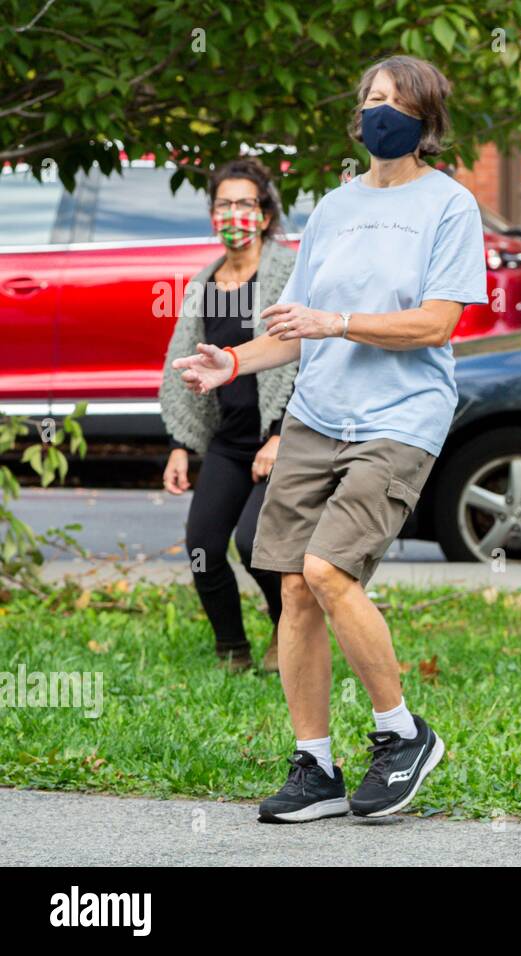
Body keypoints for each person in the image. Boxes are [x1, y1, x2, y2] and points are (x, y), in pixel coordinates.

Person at [173, 56, 487, 822]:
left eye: (398, 101)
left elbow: (438, 323)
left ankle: (403, 734)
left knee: (328, 569)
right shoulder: (336, 209)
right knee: (289, 582)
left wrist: (337, 323)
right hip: (319, 413)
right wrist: (234, 361)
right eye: (372, 98)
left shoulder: (450, 205)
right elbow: (296, 328)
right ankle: (315, 765)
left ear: (426, 120)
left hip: (398, 419)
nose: (382, 111)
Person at [160, 157, 296, 673]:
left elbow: (308, 356)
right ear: (212, 213)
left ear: (263, 215)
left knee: (254, 542)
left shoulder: (285, 273)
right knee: (203, 547)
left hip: (284, 437)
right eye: (224, 204)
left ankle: (288, 629)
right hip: (229, 439)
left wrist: (280, 434)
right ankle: (232, 649)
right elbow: (186, 368)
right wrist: (180, 444)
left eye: (245, 204)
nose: (233, 214)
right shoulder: (204, 284)